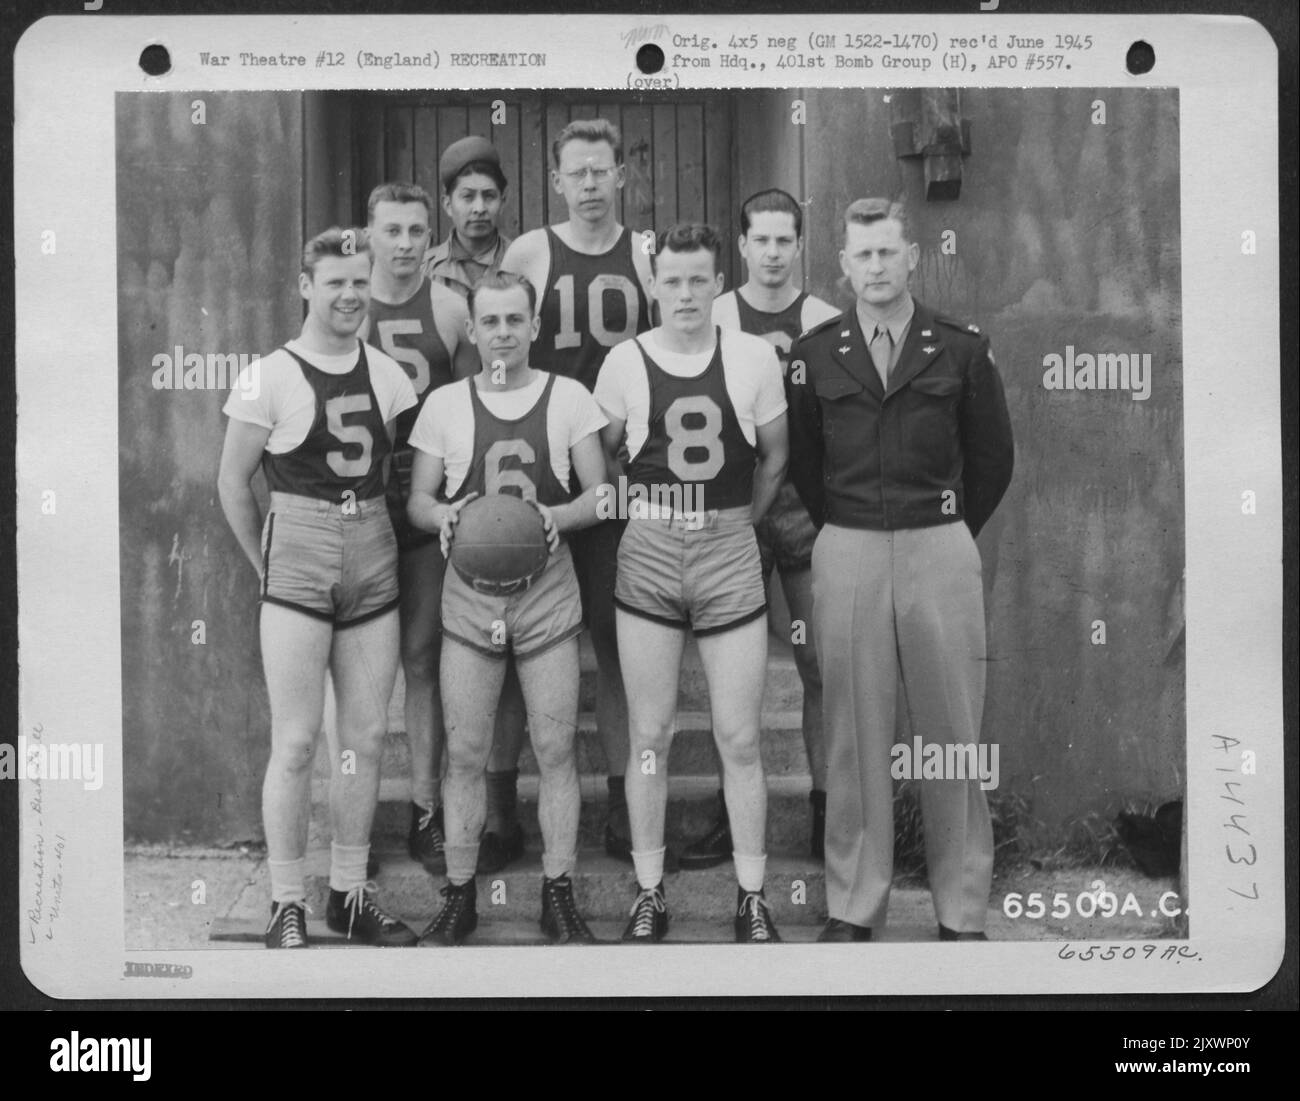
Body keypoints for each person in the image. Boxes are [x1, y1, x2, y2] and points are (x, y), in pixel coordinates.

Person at [786, 198, 1014, 942]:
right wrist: (851, 534)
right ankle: (856, 904)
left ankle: (961, 907)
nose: (877, 268)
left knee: (951, 727)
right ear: (844, 264)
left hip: (939, 544)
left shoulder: (960, 347)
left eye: (889, 253)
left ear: (913, 257)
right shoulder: (816, 353)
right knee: (854, 729)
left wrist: (942, 530)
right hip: (848, 545)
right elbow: (808, 464)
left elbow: (991, 460)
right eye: (863, 256)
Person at [217, 226, 419, 948]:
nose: (349, 294)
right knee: (299, 739)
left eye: (359, 281)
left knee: (362, 738)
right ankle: (284, 899)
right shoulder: (266, 374)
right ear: (305, 286)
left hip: (371, 551)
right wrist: (265, 563)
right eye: (334, 282)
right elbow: (231, 482)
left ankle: (349, 892)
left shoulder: (391, 374)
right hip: (297, 551)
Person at [594, 224, 789, 943]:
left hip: (729, 544)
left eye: (698, 278)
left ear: (718, 282)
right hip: (648, 548)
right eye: (671, 279)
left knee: (738, 735)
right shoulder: (623, 361)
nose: (684, 292)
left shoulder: (752, 355)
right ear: (653, 283)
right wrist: (648, 516)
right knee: (650, 733)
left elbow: (773, 460)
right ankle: (650, 891)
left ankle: (753, 895)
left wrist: (735, 524)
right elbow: (605, 456)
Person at [406, 272, 608, 945]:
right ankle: (460, 894)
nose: (501, 333)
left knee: (554, 748)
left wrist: (559, 513)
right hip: (469, 591)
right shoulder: (444, 404)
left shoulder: (570, 398)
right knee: (464, 750)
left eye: (514, 320)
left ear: (534, 326)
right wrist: (444, 514)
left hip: (547, 589)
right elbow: (416, 500)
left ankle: (559, 892)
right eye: (489, 321)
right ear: (471, 327)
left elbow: (602, 496)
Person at [501, 118, 654, 864]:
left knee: (618, 645)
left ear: (622, 174)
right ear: (557, 181)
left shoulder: (649, 257)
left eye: (602, 169)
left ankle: (627, 806)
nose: (590, 184)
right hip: (540, 468)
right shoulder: (530, 251)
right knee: (507, 638)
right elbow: (493, 344)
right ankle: (502, 808)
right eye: (576, 173)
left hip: (615, 475)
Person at [680, 188, 840, 871]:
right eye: (761, 240)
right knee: (730, 676)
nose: (773, 252)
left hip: (804, 505)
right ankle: (727, 810)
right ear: (740, 246)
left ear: (799, 244)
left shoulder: (827, 320)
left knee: (818, 666)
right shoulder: (714, 314)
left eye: (785, 240)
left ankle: (827, 814)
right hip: (733, 503)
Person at [361, 182, 479, 877]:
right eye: (391, 231)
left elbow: (473, 405)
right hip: (367, 496)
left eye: (415, 231)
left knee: (422, 653)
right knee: (367, 665)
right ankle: (362, 811)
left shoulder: (449, 305)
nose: (404, 244)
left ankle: (425, 811)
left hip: (427, 492)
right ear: (368, 234)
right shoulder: (347, 299)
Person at [423, 135, 512, 298]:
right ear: (448, 204)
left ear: (503, 201)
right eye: (468, 197)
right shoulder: (424, 269)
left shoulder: (519, 261)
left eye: (489, 196)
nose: (479, 208)